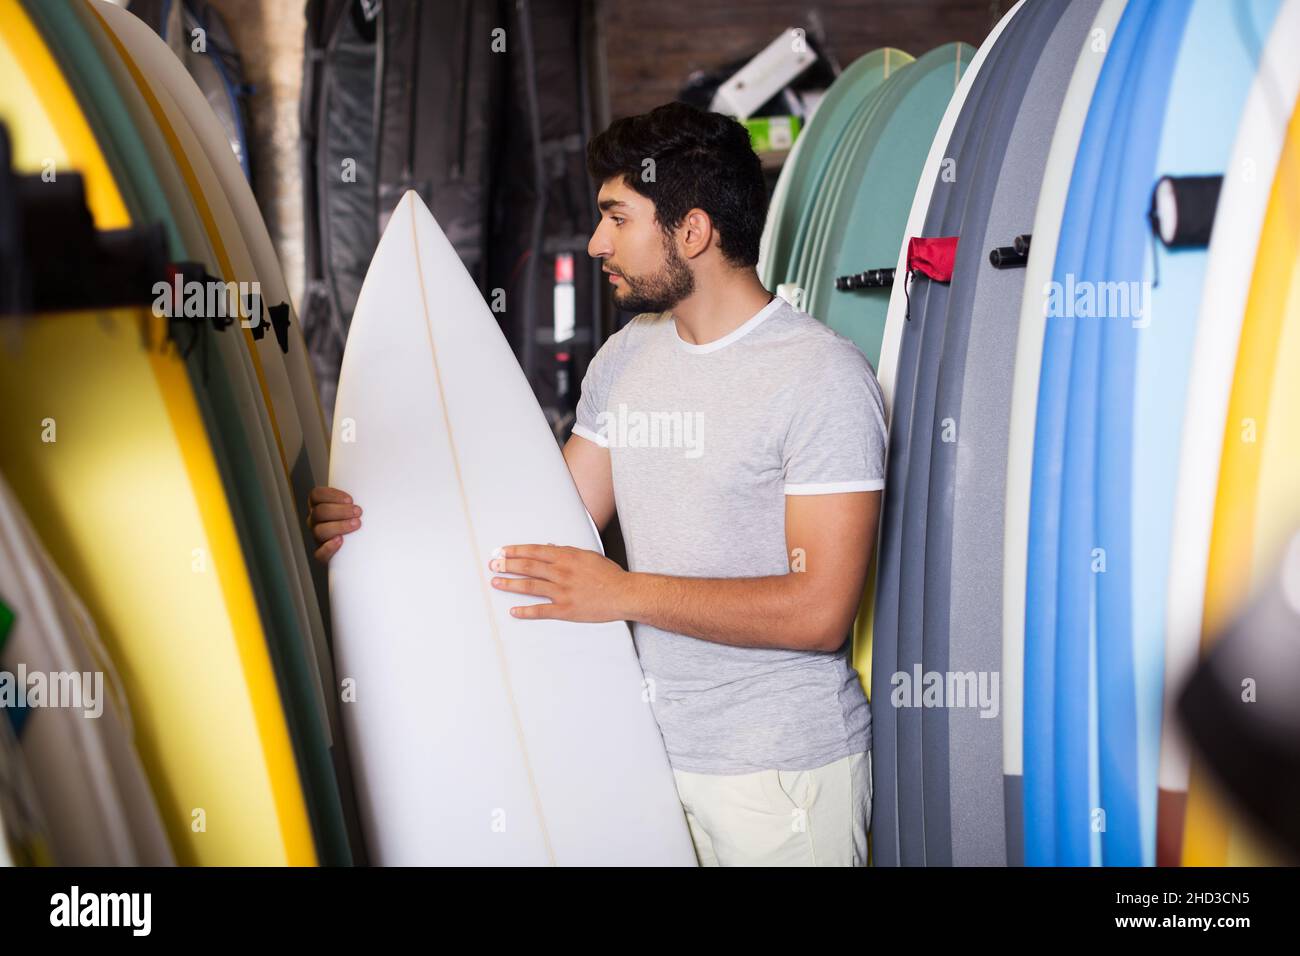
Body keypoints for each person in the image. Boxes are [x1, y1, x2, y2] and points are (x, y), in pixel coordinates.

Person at [308, 101, 888, 866]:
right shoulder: (629, 357)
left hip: (780, 774)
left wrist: (623, 592)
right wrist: (379, 528)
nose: (595, 243)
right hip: (642, 758)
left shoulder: (820, 376)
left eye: (617, 217)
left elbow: (819, 610)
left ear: (693, 231)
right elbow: (546, 528)